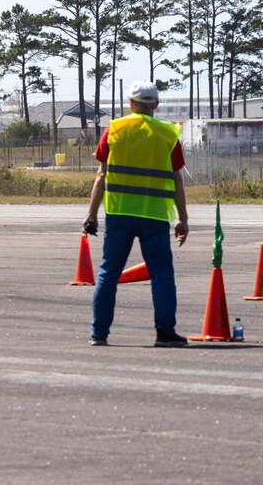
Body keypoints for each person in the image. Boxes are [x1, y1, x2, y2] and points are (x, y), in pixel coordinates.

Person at [82, 80, 190, 347]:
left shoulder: (115, 129)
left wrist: (91, 214)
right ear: (156, 105)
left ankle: (99, 333)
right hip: (154, 216)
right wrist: (183, 219)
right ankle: (165, 332)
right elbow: (177, 180)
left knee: (108, 273)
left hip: (120, 214)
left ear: (130, 103)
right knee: (162, 273)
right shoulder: (167, 134)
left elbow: (101, 176)